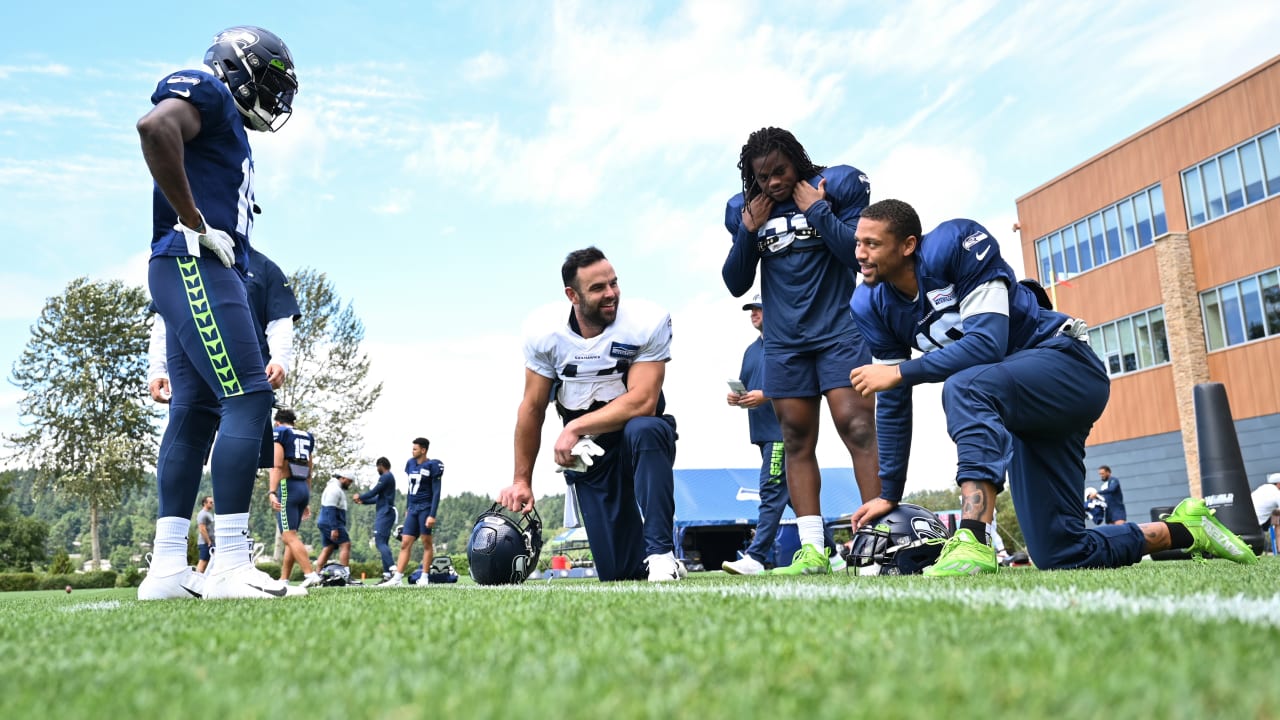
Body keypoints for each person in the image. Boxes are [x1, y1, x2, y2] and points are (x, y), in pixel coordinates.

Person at [846, 198, 1258, 573]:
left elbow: (986, 344)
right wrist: (889, 491)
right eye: (857, 243)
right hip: (1022, 405)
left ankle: (972, 537)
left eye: (871, 244)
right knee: (1061, 553)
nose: (860, 254)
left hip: (1065, 365)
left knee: (964, 386)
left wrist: (901, 373)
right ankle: (1187, 530)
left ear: (908, 246)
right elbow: (893, 401)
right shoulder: (872, 304)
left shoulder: (953, 247)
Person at [136, 26, 301, 601]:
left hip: (185, 264)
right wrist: (196, 223)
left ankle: (166, 571)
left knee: (199, 407)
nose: (278, 98)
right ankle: (230, 561)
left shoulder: (226, 125)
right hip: (192, 259)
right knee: (250, 396)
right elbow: (155, 128)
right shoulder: (205, 87)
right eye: (274, 82)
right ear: (243, 66)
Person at [721, 127, 879, 575]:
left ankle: (875, 541)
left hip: (838, 331)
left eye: (780, 171)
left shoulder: (832, 187)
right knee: (795, 438)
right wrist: (747, 233)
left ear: (797, 160)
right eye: (762, 176)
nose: (772, 182)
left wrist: (820, 211)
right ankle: (813, 548)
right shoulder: (747, 210)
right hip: (786, 342)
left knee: (858, 427)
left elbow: (859, 258)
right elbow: (736, 283)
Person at [497, 247, 683, 582]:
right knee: (619, 572)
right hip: (591, 451)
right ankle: (642, 559)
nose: (611, 294)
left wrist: (575, 426)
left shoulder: (644, 321)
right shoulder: (545, 333)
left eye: (614, 283)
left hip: (634, 435)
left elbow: (644, 401)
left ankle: (661, 555)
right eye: (598, 288)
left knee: (646, 429)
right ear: (572, 295)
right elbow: (532, 407)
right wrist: (522, 480)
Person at [722, 296, 844, 575]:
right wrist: (737, 398)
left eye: (758, 309)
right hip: (762, 433)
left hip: (783, 431)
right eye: (750, 310)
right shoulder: (750, 351)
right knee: (794, 497)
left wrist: (765, 395)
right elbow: (748, 387)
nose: (753, 314)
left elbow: (803, 382)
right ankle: (834, 557)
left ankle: (755, 557)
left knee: (771, 491)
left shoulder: (788, 344)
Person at [379, 438, 443, 587]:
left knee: (426, 543)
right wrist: (408, 507)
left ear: (423, 450)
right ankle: (397, 578)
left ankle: (425, 577)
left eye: (415, 449)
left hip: (425, 508)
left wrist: (432, 514)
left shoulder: (432, 465)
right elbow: (410, 489)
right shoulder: (410, 463)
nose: (412, 451)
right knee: (405, 543)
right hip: (413, 509)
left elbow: (437, 492)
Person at [271, 408, 321, 588]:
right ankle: (284, 579)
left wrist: (271, 491)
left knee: (288, 535)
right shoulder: (307, 436)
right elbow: (310, 469)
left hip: (287, 486)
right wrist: (306, 499)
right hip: (302, 487)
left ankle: (310, 574)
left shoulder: (279, 433)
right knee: (292, 535)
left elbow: (276, 465)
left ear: (277, 422)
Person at [353, 457, 398, 577]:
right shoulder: (389, 477)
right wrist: (363, 502)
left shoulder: (385, 476)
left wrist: (360, 496)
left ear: (381, 465)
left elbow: (374, 492)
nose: (377, 470)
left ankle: (393, 570)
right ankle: (387, 575)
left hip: (385, 513)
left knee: (379, 542)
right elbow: (378, 498)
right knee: (383, 543)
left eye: (377, 467)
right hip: (387, 512)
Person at [316, 471, 355, 570]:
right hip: (331, 522)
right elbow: (330, 508)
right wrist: (334, 528)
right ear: (342, 478)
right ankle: (345, 574)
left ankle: (317, 574)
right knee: (345, 544)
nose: (349, 484)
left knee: (329, 547)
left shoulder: (333, 487)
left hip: (325, 521)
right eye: (349, 481)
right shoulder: (334, 489)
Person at [1252, 472, 1280, 552]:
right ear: (1278, 483)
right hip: (1259, 522)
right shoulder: (1277, 493)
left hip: (1249, 516)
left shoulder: (1263, 487)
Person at [195, 496, 215, 573]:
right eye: (210, 502)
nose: (212, 504)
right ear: (204, 503)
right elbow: (202, 529)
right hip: (205, 543)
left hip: (211, 543)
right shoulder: (202, 514)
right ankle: (196, 582)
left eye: (212, 502)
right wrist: (209, 541)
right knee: (203, 563)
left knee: (209, 564)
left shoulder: (208, 514)